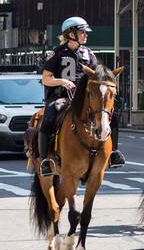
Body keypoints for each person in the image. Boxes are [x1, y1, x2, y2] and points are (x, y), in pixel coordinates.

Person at [38, 16, 126, 176]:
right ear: (71, 34)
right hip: (60, 97)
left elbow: (96, 74)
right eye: (82, 32)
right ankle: (45, 160)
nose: (86, 35)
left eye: (85, 32)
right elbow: (45, 78)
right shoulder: (57, 53)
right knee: (49, 118)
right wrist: (62, 81)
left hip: (83, 97)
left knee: (112, 117)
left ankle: (114, 153)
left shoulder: (88, 53)